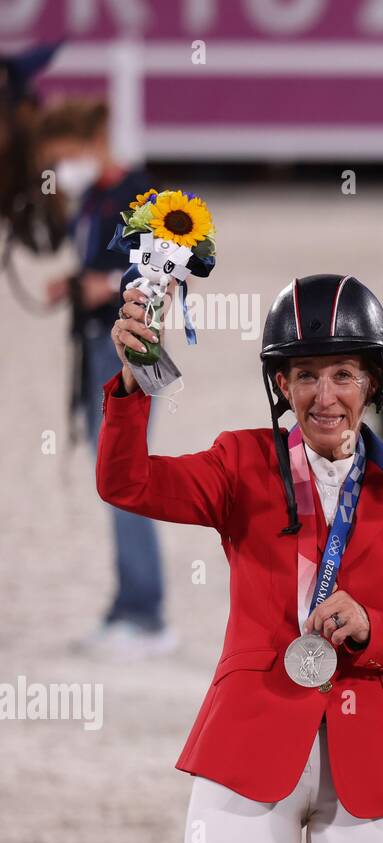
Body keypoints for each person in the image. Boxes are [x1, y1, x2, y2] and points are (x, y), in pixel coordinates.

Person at [97, 274, 383, 843]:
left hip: (377, 759)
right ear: (281, 384)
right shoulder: (239, 462)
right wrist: (136, 381)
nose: (325, 397)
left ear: (372, 382)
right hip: (247, 746)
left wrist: (374, 629)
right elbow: (126, 483)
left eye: (343, 375)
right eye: (305, 376)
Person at [36, 98, 171, 658]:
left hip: (136, 347)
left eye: (65, 156)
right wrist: (73, 282)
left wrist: (108, 284)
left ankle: (145, 612)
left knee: (124, 476)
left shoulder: (141, 196)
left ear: (90, 144)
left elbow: (165, 268)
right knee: (111, 473)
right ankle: (127, 606)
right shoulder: (91, 198)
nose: (62, 169)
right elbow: (99, 262)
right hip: (97, 342)